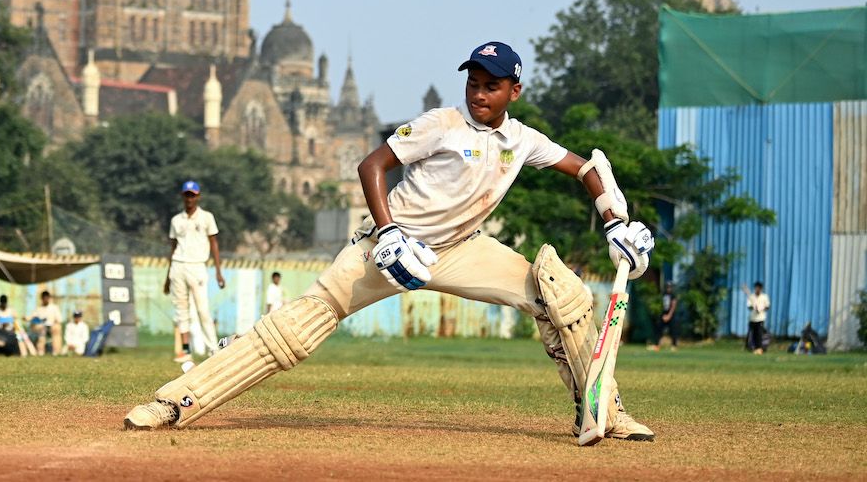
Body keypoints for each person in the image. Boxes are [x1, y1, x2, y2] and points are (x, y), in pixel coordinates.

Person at [125, 42, 657, 441]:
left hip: (461, 249)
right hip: (389, 246)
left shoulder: (521, 140)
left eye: (490, 86)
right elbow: (372, 164)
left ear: (513, 91)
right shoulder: (442, 123)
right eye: (473, 82)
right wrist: (389, 232)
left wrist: (614, 220)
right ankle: (174, 403)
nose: (478, 93)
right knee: (299, 328)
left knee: (558, 298)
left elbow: (584, 166)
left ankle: (602, 413)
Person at [164, 180, 227, 362]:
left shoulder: (206, 217)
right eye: (186, 195)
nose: (189, 198)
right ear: (183, 196)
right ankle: (185, 350)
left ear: (198, 196)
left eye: (192, 195)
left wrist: (218, 271)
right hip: (178, 266)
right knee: (181, 309)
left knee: (202, 309)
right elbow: (173, 247)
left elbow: (214, 243)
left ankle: (213, 349)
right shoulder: (176, 220)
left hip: (198, 266)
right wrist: (167, 277)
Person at [32, 290, 63, 355]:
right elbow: (33, 318)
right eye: (44, 298)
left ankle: (56, 351)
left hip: (52, 327)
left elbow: (59, 319)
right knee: (41, 330)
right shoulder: (38, 309)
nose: (45, 299)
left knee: (56, 328)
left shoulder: (54, 307)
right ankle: (40, 351)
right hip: (42, 328)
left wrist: (54, 323)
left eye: (47, 297)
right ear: (42, 299)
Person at [744, 282, 770, 353]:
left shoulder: (764, 296)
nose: (757, 289)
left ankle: (759, 348)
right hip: (752, 319)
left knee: (759, 334)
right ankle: (751, 347)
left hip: (760, 319)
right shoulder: (751, 296)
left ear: (761, 289)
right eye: (756, 288)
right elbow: (749, 306)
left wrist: (761, 309)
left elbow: (767, 306)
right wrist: (753, 307)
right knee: (751, 334)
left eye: (759, 288)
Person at [653, 281, 679, 351]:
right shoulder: (664, 294)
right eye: (667, 287)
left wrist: (669, 315)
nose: (668, 288)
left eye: (670, 287)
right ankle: (657, 345)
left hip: (671, 314)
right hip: (664, 313)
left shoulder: (673, 295)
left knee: (673, 330)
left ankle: (674, 345)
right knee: (659, 328)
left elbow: (673, 306)